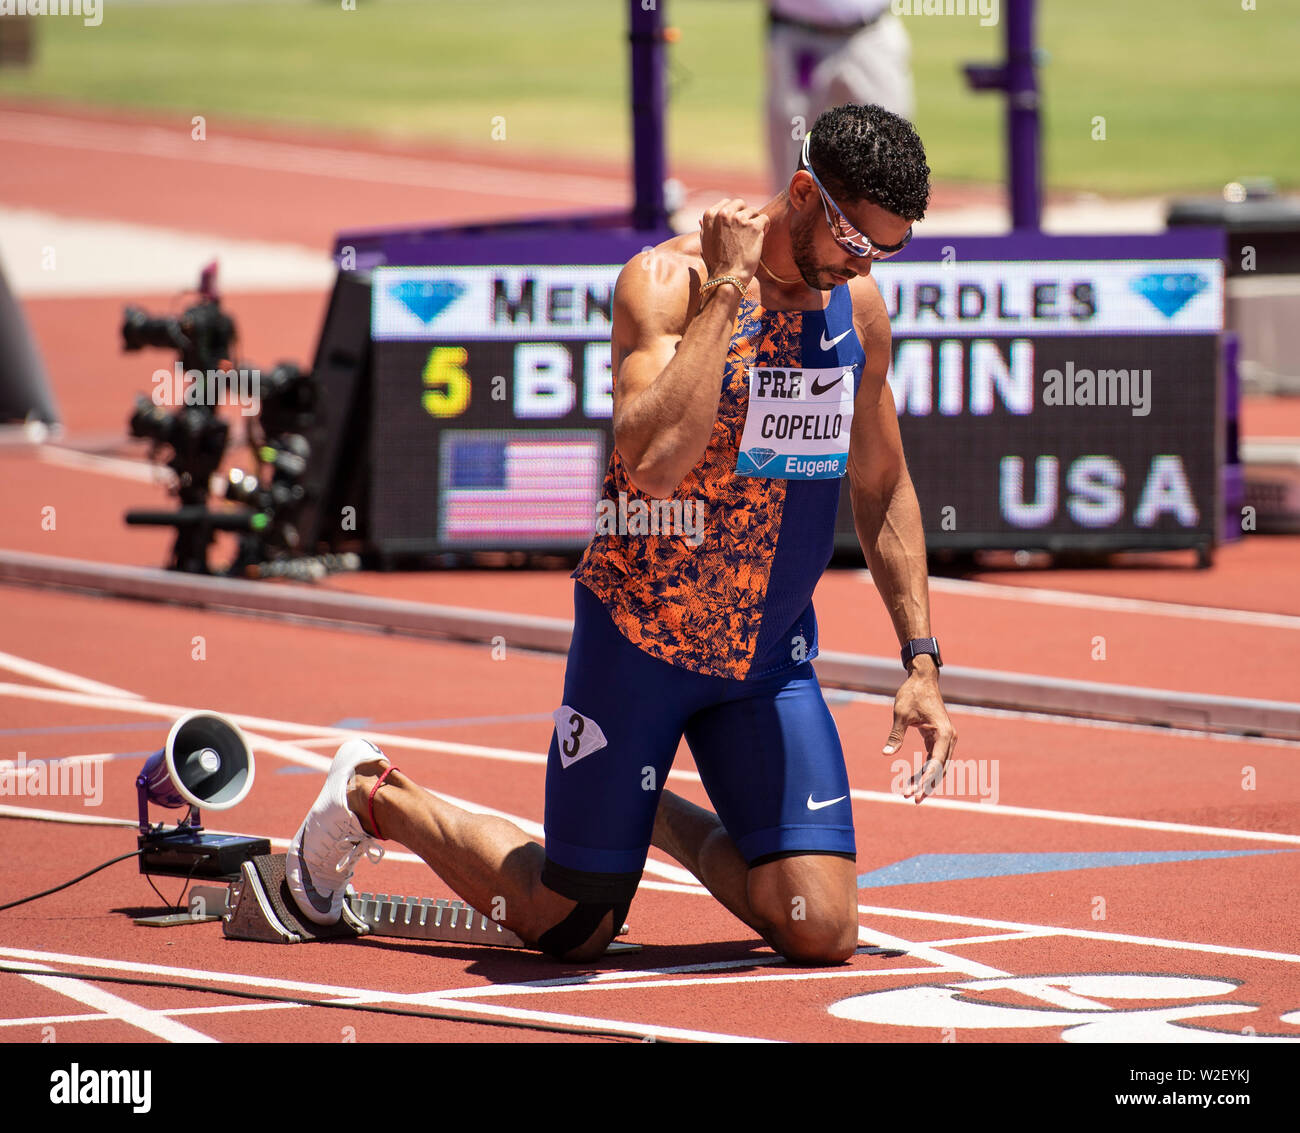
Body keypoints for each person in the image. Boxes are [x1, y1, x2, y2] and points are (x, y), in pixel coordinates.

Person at [286, 103, 956, 966]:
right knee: (569, 924)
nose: (868, 264)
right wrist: (726, 295)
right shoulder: (663, 282)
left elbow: (884, 481)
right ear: (802, 193)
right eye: (858, 242)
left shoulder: (856, 311)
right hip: (640, 645)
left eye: (889, 250)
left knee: (820, 927)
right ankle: (375, 794)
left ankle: (652, 814)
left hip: (764, 663)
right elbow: (653, 464)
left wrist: (922, 660)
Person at [767, 1, 915, 197]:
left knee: (891, 144)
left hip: (871, 33)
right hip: (799, 36)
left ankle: (888, 224)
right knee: (794, 142)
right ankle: (792, 223)